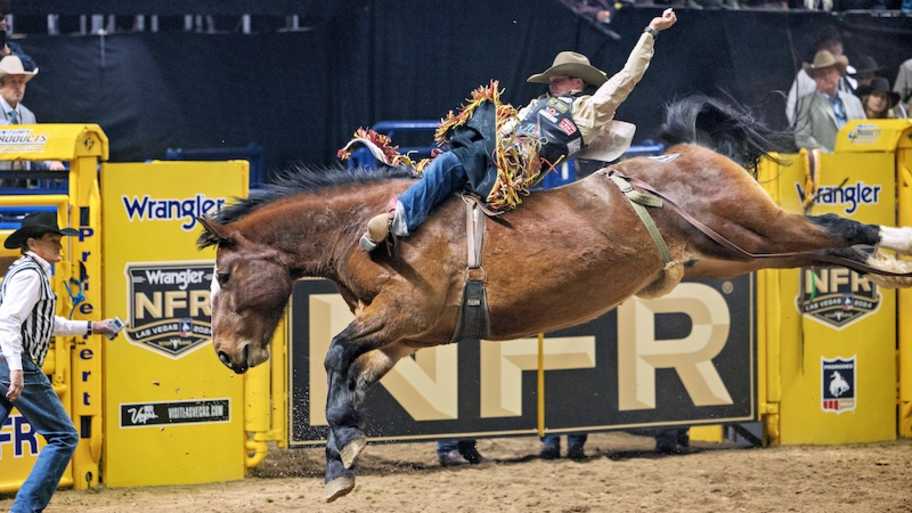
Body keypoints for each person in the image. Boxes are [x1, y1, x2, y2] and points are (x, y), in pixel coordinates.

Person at [358, 9, 678, 250]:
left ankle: (401, 219)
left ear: (577, 82)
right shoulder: (534, 106)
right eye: (553, 76)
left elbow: (626, 78)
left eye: (560, 76)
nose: (553, 80)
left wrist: (650, 31)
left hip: (512, 174)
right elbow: (504, 130)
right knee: (456, 148)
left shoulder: (588, 110)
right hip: (495, 156)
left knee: (449, 164)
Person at [0, 212, 120, 513]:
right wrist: (16, 368)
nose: (59, 245)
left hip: (6, 359)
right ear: (32, 243)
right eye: (53, 240)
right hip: (15, 362)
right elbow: (9, 321)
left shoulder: (27, 271)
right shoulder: (31, 274)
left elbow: (42, 322)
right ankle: (24, 510)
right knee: (64, 436)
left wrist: (93, 327)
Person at [0, 55, 65, 176]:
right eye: (13, 82)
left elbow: (36, 148)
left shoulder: (28, 116)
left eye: (21, 82)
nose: (18, 87)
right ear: (0, 86)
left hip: (24, 187)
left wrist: (51, 162)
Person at [794, 50, 865, 152]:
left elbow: (866, 132)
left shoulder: (854, 102)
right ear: (815, 78)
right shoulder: (806, 103)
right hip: (826, 164)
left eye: (830, 72)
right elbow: (802, 138)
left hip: (856, 161)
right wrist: (828, 155)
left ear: (838, 74)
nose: (827, 77)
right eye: (821, 74)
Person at [785, 28, 855, 125]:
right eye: (827, 45)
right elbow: (792, 105)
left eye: (835, 44)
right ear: (819, 48)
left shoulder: (851, 72)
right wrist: (799, 131)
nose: (832, 48)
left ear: (842, 47)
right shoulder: (804, 75)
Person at [0, 0, 37, 72]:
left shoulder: (11, 47)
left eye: (2, 19)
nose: (4, 23)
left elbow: (31, 67)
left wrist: (9, 54)